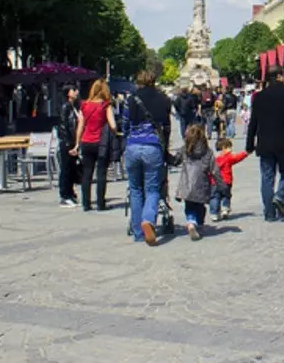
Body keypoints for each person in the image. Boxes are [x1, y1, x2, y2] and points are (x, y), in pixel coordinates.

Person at [246, 65, 284, 221]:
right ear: (278, 76)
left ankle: (269, 214)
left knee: (267, 178)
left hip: (264, 143)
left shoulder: (258, 97)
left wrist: (249, 144)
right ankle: (279, 196)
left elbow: (253, 123)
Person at [124, 70, 172, 245]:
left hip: (133, 146)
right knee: (152, 189)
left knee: (135, 189)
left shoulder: (131, 99)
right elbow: (166, 127)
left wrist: (126, 143)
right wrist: (165, 148)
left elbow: (125, 124)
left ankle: (138, 232)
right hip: (152, 146)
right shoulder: (164, 99)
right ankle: (148, 219)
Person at [72, 79, 119, 212]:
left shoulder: (84, 105)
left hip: (86, 141)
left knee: (87, 173)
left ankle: (86, 203)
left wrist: (77, 144)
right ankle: (100, 203)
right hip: (101, 143)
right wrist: (115, 132)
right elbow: (113, 124)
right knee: (101, 173)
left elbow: (80, 125)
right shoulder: (106, 105)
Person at [176, 123, 224, 240]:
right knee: (200, 207)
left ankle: (191, 222)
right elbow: (215, 170)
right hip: (201, 185)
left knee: (189, 206)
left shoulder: (185, 149)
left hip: (186, 184)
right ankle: (200, 225)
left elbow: (175, 161)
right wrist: (222, 186)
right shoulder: (208, 151)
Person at [210, 137, 248, 220]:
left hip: (214, 182)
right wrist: (246, 153)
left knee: (214, 197)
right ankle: (225, 209)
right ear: (224, 148)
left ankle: (214, 213)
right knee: (226, 196)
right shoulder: (228, 157)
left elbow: (209, 171)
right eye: (229, 147)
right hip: (226, 181)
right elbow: (237, 158)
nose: (231, 150)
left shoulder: (213, 159)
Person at [57, 86, 81, 207]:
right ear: (68, 93)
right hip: (67, 143)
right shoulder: (65, 106)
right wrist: (68, 143)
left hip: (72, 142)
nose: (76, 92)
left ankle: (70, 193)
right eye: (73, 90)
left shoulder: (73, 106)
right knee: (66, 169)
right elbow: (63, 125)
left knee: (71, 169)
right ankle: (64, 195)